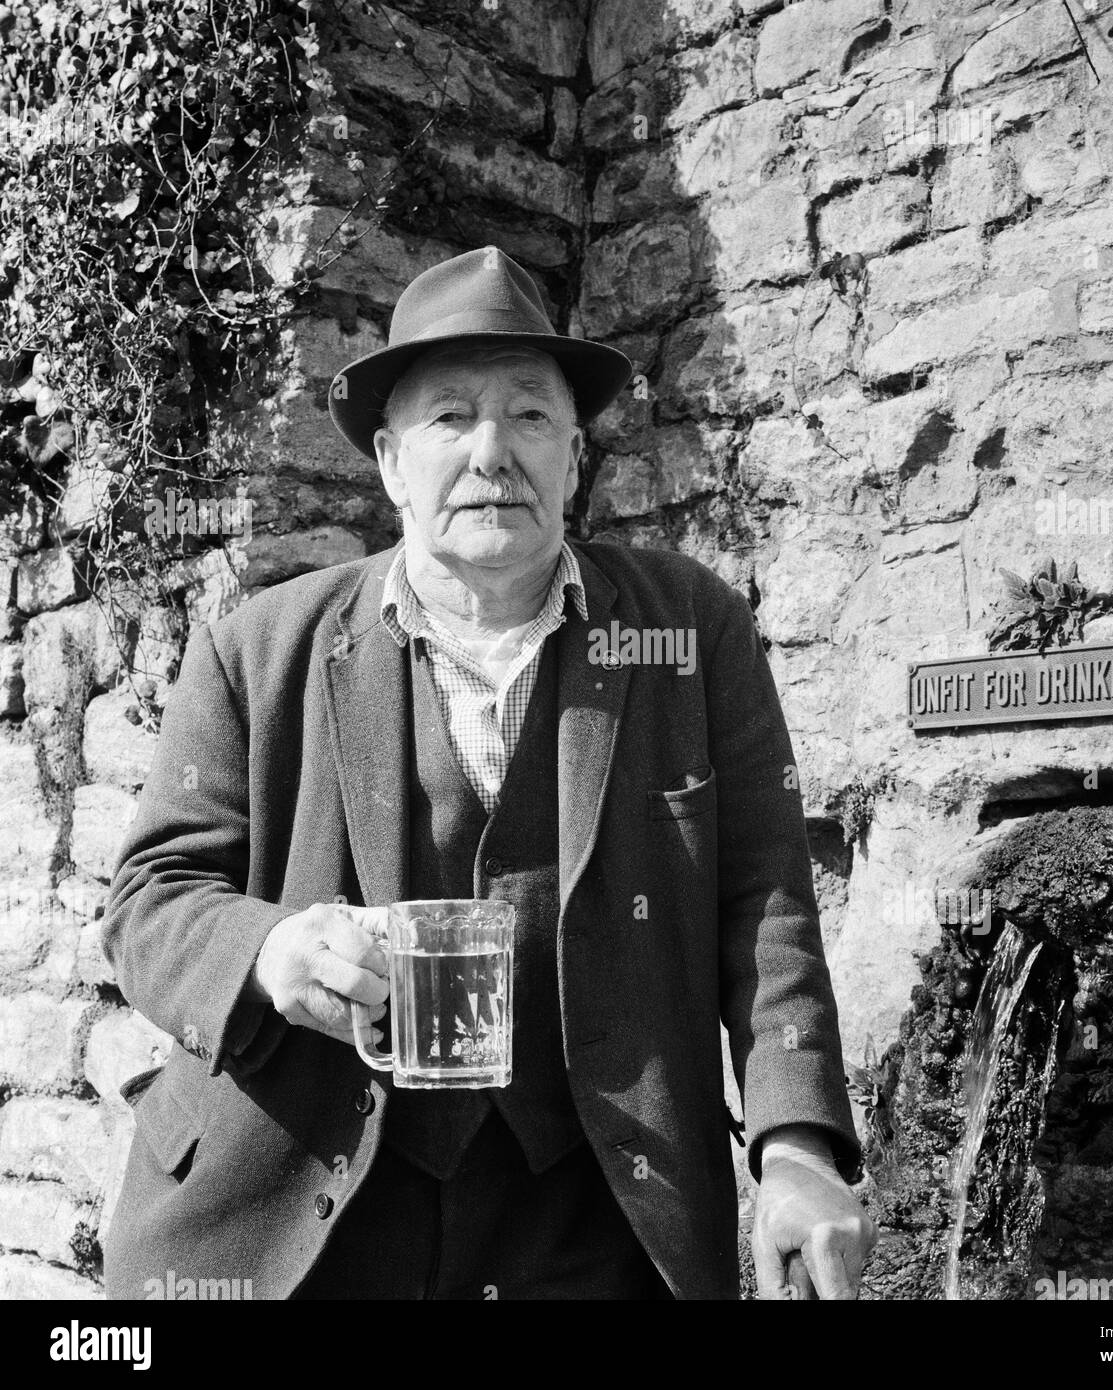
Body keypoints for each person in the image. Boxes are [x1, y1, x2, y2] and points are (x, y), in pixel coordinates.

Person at [101, 246, 876, 1300]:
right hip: (296, 1217)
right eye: (449, 417)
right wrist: (271, 949)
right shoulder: (254, 649)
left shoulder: (691, 629)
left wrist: (795, 1148)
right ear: (387, 462)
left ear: (574, 456)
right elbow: (150, 899)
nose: (490, 452)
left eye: (528, 416)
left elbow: (767, 896)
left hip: (594, 1213)